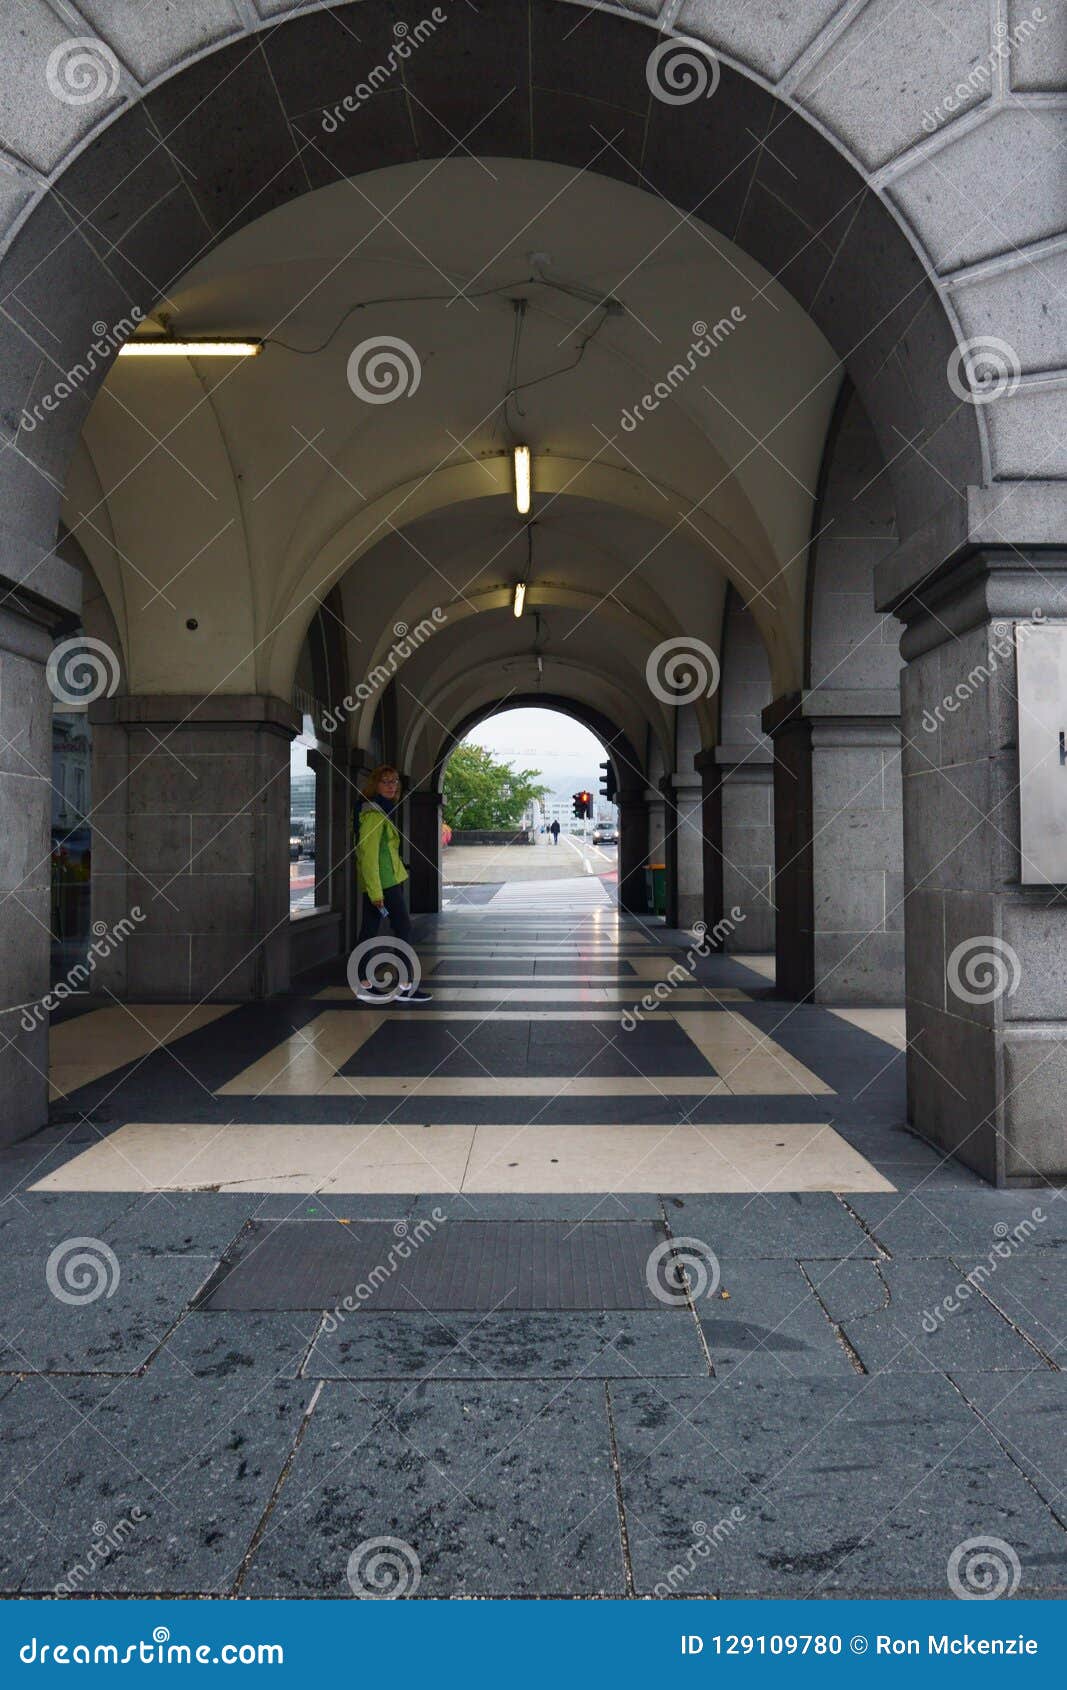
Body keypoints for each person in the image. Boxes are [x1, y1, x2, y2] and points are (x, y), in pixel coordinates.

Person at [354, 765, 432, 1003]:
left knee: (369, 930)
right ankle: (405, 986)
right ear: (375, 785)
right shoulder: (373, 815)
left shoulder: (380, 811)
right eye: (385, 781)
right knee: (403, 930)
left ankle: (364, 983)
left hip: (383, 883)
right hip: (384, 885)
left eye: (395, 781)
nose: (391, 786)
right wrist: (376, 892)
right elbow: (368, 856)